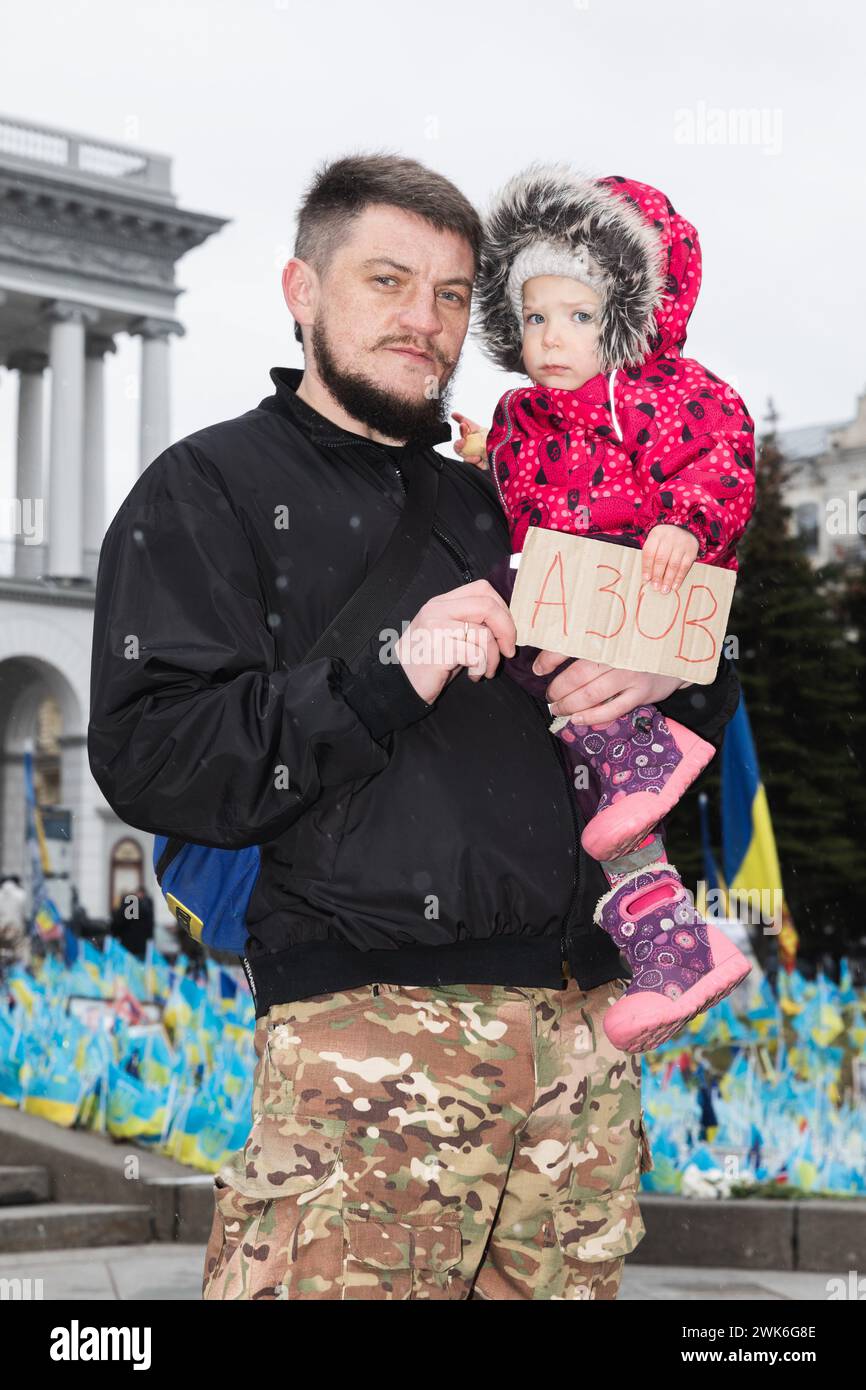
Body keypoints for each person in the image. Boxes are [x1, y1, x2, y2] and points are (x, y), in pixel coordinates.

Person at [88, 153, 742, 1301]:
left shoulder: (515, 485)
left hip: (579, 1043)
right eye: (387, 281)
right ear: (301, 289)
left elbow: (699, 683)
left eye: (449, 294)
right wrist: (391, 670)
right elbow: (154, 753)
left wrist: (667, 663)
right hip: (368, 1044)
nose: (422, 320)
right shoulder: (210, 490)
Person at [455, 166, 754, 1052]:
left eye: (580, 317)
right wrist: (484, 462)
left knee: (595, 712)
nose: (552, 339)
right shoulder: (521, 414)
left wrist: (687, 527)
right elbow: (520, 491)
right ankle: (673, 949)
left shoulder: (668, 395)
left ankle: (653, 749)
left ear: (630, 316)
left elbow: (723, 459)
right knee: (603, 807)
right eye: (536, 316)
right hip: (559, 601)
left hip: (636, 583)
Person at [109, 884, 154, 961]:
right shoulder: (145, 908)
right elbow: (150, 928)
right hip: (141, 947)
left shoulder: (126, 907)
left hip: (126, 947)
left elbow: (116, 925)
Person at [0, 874, 30, 971]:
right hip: (16, 929)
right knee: (22, 950)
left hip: (1, 928)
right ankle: (23, 970)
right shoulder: (21, 894)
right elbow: (25, 914)